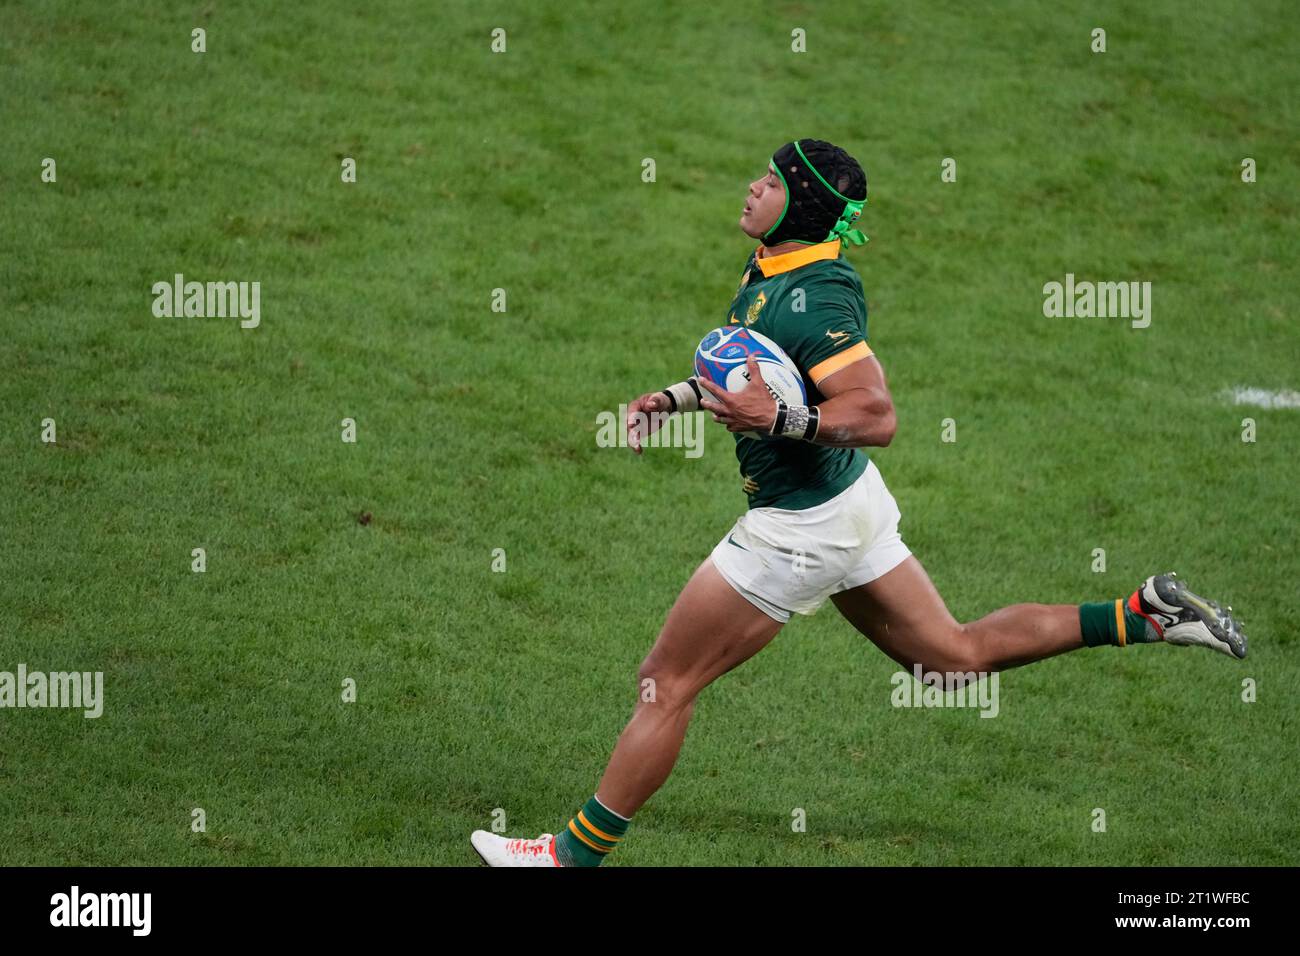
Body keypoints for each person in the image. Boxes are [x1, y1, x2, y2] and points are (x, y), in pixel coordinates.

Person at [470, 138, 1247, 867]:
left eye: (771, 180)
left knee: (664, 682)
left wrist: (778, 421)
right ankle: (1143, 614)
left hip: (799, 526)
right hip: (847, 506)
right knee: (951, 660)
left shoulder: (818, 296)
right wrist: (673, 399)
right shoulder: (774, 262)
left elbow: (875, 415)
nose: (754, 185)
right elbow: (753, 362)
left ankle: (568, 857)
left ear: (799, 204)